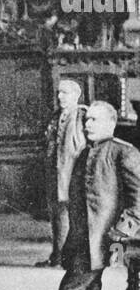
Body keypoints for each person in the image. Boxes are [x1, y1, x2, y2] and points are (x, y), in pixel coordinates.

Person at [58, 102, 140, 290]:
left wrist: (121, 231)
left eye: (94, 120)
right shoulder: (86, 152)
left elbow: (139, 199)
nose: (87, 124)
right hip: (83, 238)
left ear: (111, 123)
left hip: (103, 239)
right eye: (87, 120)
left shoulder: (123, 152)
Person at [39, 80, 86, 268]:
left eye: (65, 93)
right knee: (57, 216)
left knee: (72, 217)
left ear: (76, 95)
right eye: (59, 93)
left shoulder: (82, 116)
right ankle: (58, 255)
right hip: (56, 175)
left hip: (72, 175)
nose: (60, 97)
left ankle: (69, 259)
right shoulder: (56, 116)